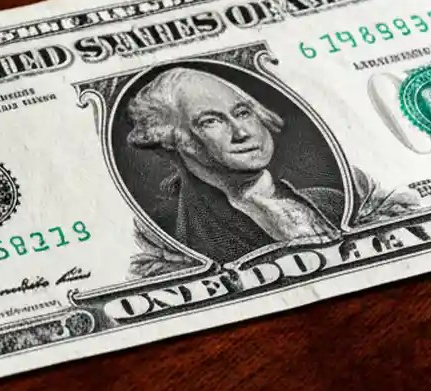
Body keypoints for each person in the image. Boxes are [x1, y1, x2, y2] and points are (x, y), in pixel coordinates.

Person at [126, 67, 343, 263]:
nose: (242, 132)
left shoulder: (332, 202)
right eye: (211, 121)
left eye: (242, 113)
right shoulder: (171, 238)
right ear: (171, 138)